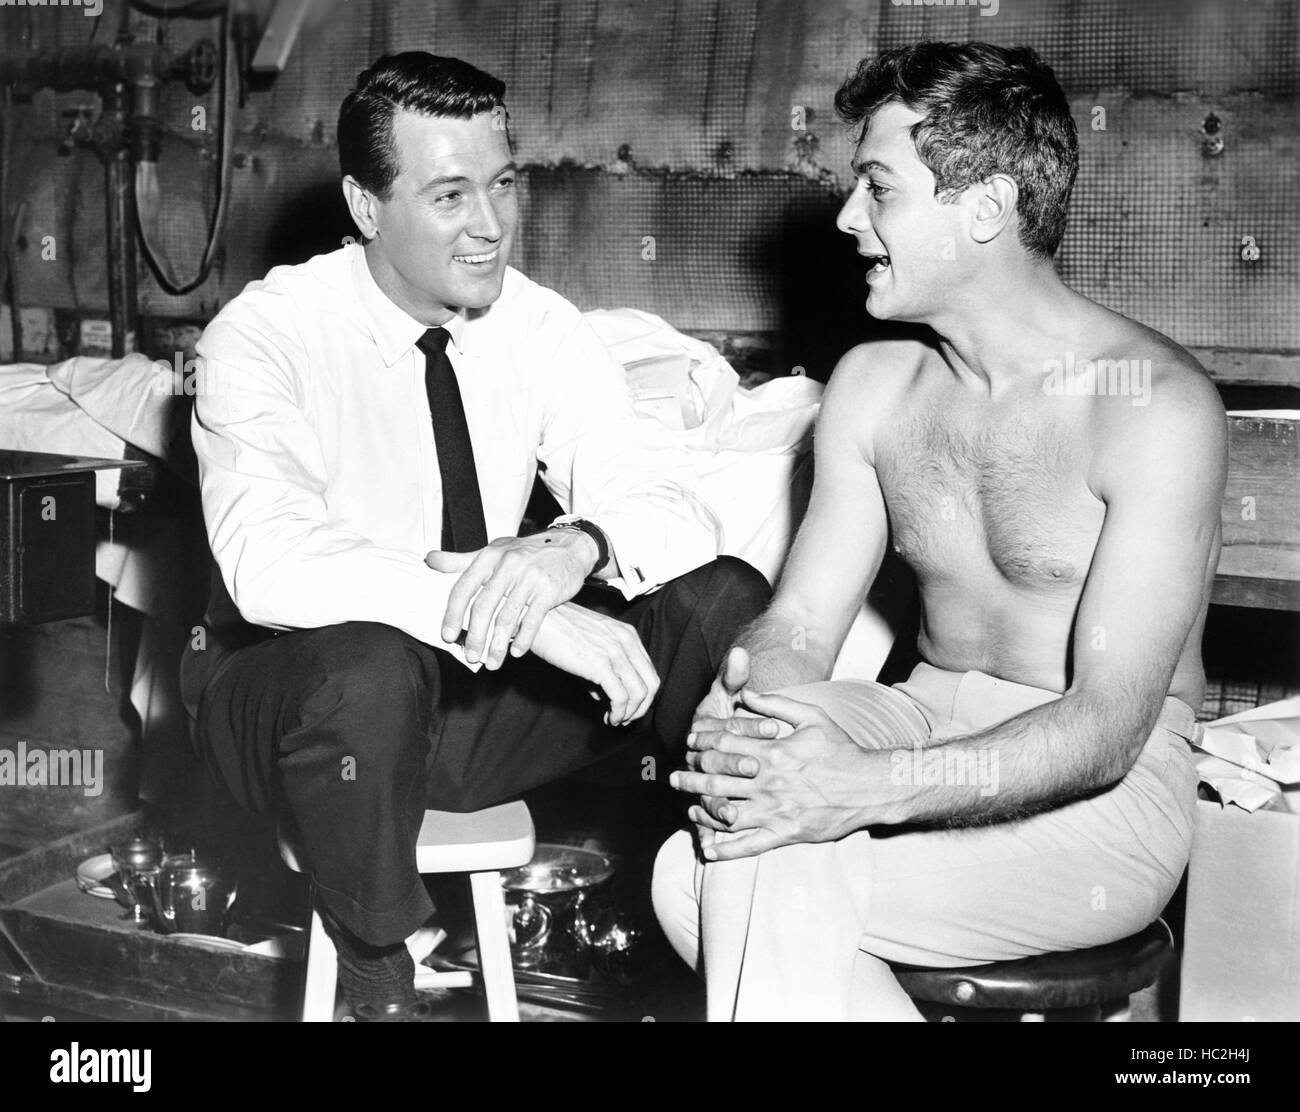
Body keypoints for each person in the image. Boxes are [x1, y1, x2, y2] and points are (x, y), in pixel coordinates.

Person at [180, 52, 769, 1020]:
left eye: (502, 184)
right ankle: (377, 976)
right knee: (366, 669)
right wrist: (511, 611)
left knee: (723, 599)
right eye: (450, 194)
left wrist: (568, 549)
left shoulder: (537, 325)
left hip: (467, 707)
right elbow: (266, 557)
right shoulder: (268, 331)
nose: (491, 225)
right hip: (300, 705)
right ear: (368, 206)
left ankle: (758, 934)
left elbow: (669, 498)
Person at [653, 41, 1228, 1021]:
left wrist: (857, 789)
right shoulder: (876, 387)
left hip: (1105, 783)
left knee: (735, 872)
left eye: (877, 188)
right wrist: (753, 714)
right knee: (715, 845)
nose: (845, 217)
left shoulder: (1151, 407)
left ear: (985, 207)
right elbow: (798, 625)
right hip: (920, 711)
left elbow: (1103, 728)